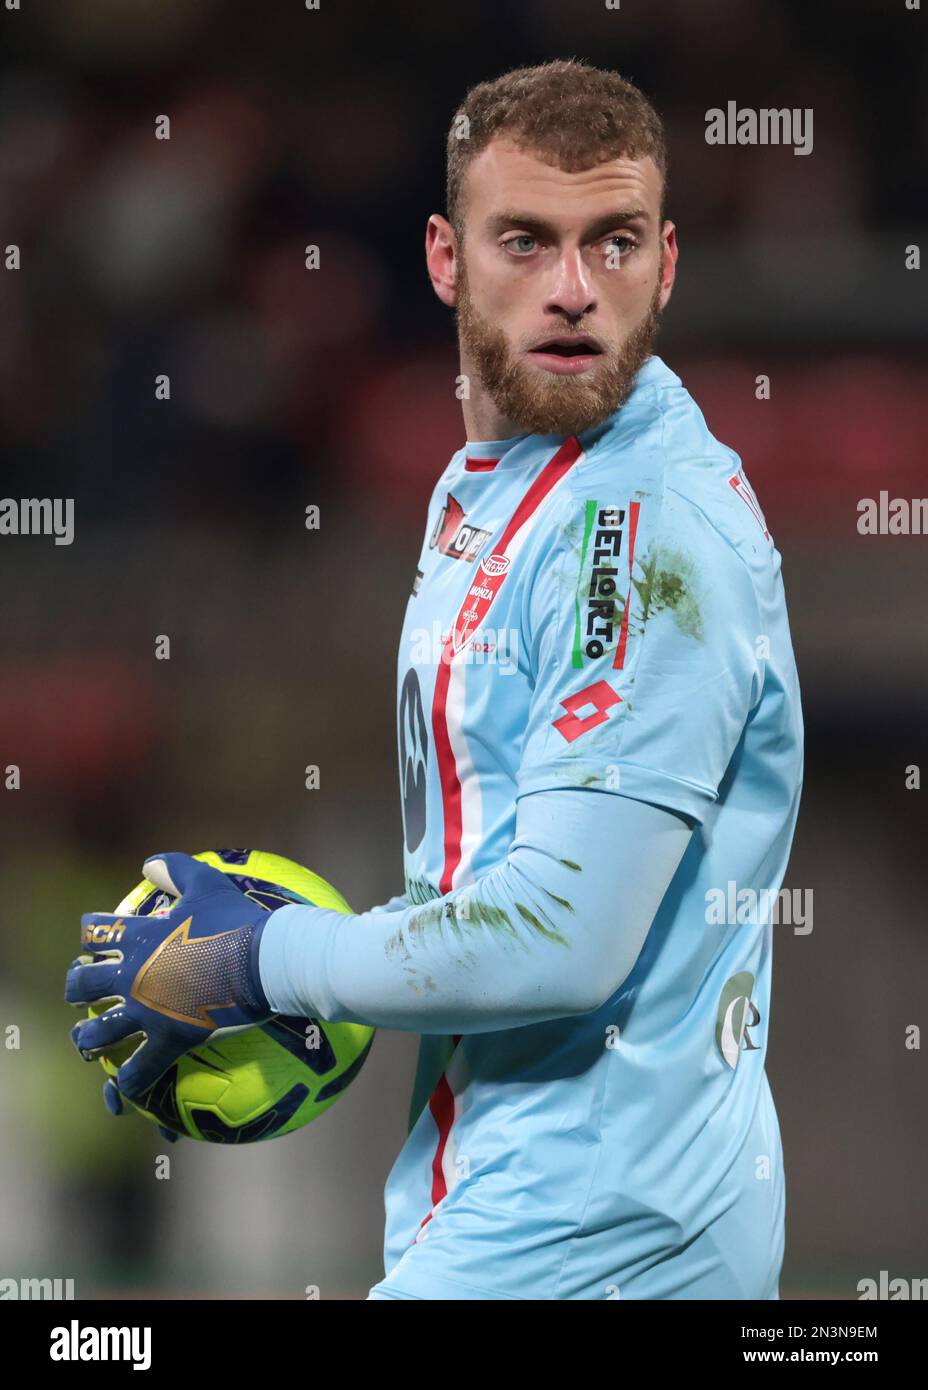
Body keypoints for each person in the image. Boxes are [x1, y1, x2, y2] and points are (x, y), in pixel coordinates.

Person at [67, 59, 803, 1300]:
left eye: (612, 243)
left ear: (665, 264)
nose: (573, 290)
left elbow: (563, 940)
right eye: (525, 239)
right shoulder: (509, 483)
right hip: (542, 1199)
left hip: (594, 1227)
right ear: (445, 260)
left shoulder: (639, 534)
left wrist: (268, 962)